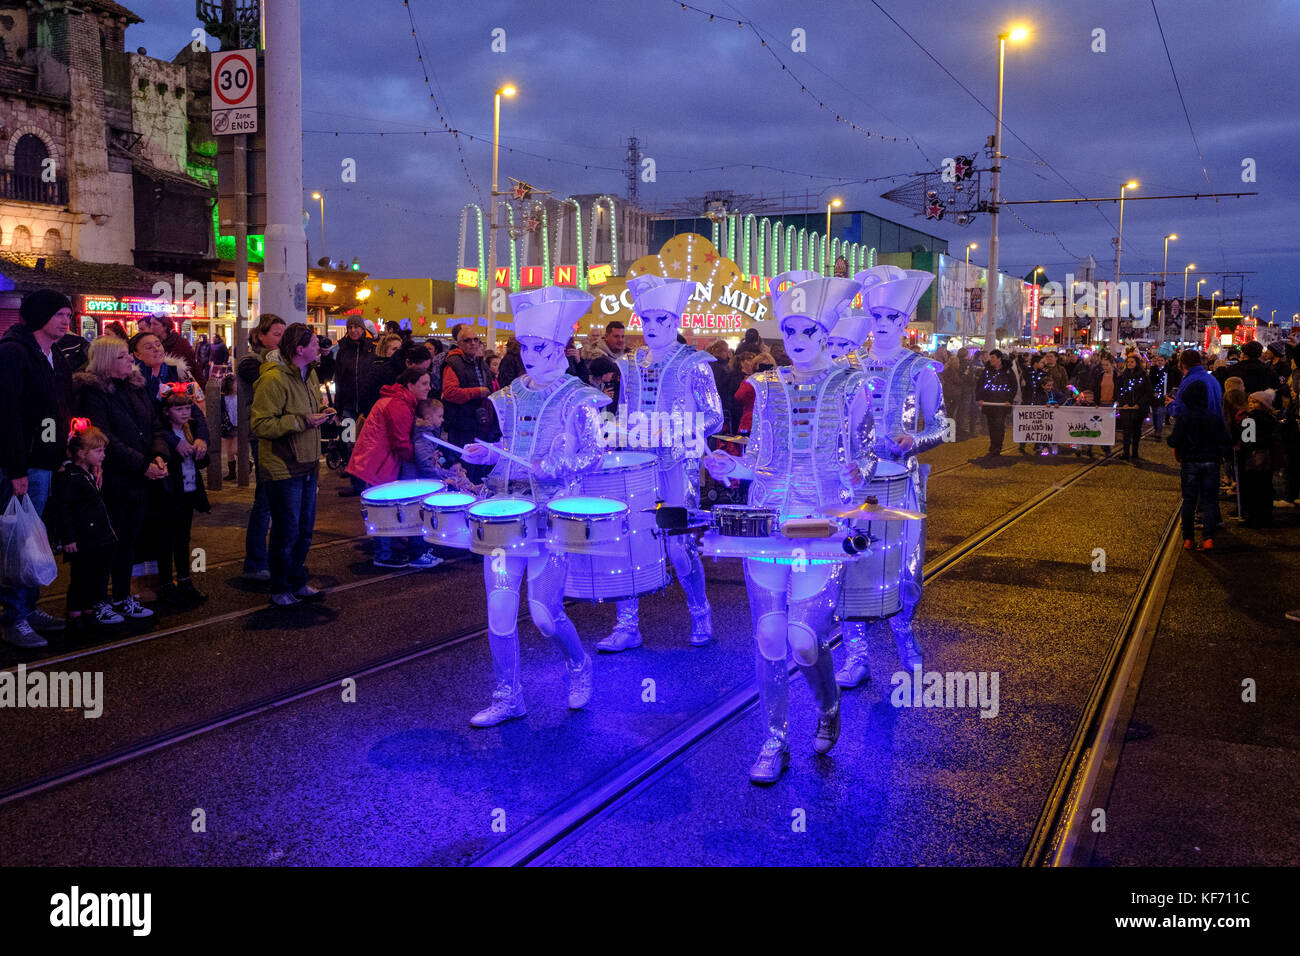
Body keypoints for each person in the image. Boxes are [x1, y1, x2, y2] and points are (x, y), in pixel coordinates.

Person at [703, 271, 873, 785]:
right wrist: (730, 468)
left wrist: (856, 472)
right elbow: (760, 459)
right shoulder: (766, 385)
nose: (797, 343)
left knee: (803, 637)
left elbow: (865, 455)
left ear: (827, 334)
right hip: (769, 522)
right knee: (770, 634)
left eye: (809, 333)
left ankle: (827, 706)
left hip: (824, 526)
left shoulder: (853, 384)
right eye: (791, 333)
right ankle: (773, 740)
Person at [458, 286, 609, 728]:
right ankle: (508, 696)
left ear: (560, 345)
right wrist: (489, 454)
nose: (529, 355)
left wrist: (557, 466)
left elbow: (594, 454)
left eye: (539, 346)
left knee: (544, 615)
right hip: (508, 512)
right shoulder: (510, 394)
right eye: (524, 346)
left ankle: (579, 664)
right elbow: (510, 446)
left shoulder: (578, 397)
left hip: (552, 516)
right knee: (500, 611)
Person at [597, 273, 723, 652]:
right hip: (637, 467)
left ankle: (701, 612)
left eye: (661, 321)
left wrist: (671, 430)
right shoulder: (630, 362)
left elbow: (715, 416)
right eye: (646, 320)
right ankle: (627, 625)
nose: (652, 328)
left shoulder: (695, 364)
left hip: (677, 468)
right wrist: (616, 437)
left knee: (677, 547)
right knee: (630, 542)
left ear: (676, 322)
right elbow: (624, 411)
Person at [838, 264, 946, 681]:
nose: (882, 325)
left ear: (904, 322)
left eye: (891, 318)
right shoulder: (848, 366)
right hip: (856, 482)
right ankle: (857, 656)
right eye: (876, 317)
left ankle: (904, 634)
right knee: (851, 562)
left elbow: (942, 426)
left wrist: (913, 441)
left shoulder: (921, 370)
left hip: (903, 482)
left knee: (907, 567)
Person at [0, 290, 76, 647]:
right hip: (22, 465)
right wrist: (16, 467)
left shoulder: (54, 355)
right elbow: (8, 415)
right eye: (60, 314)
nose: (66, 321)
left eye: (68, 315)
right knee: (20, 540)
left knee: (36, 539)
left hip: (46, 461)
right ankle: (15, 616)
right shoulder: (14, 353)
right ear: (40, 316)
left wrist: (61, 452)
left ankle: (29, 608)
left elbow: (58, 409)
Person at [72, 336, 166, 621]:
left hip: (139, 476)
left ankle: (123, 595)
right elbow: (105, 438)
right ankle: (97, 600)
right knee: (106, 543)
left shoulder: (136, 388)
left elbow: (155, 425)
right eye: (123, 356)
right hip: (113, 478)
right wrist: (142, 464)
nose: (130, 361)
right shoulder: (93, 392)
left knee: (129, 542)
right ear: (106, 361)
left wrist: (159, 456)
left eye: (129, 356)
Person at [250, 323, 331, 607]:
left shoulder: (309, 374)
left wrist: (322, 413)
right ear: (300, 349)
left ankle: (296, 580)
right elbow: (260, 424)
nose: (319, 349)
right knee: (287, 529)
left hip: (308, 461)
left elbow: (309, 410)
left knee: (305, 528)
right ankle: (280, 586)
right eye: (314, 345)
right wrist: (302, 420)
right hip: (283, 464)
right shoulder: (274, 380)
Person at [346, 367, 441, 570]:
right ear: (410, 385)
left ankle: (386, 552)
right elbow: (401, 443)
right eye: (424, 384)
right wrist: (420, 459)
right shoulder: (399, 405)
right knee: (383, 510)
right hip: (378, 462)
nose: (428, 388)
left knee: (384, 509)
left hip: (376, 460)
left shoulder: (400, 401)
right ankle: (383, 555)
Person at [52, 422, 123, 630]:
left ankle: (89, 610)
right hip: (83, 538)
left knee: (94, 576)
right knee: (81, 577)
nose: (103, 455)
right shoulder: (71, 477)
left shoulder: (88, 473)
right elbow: (64, 509)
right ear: (82, 453)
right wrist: (69, 538)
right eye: (98, 451)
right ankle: (75, 614)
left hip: (96, 537)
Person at [238, 314, 286, 582]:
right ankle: (255, 562)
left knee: (279, 500)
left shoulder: (278, 360)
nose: (281, 340)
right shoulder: (250, 361)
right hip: (262, 434)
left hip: (281, 432)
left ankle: (274, 558)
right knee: (265, 500)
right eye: (277, 335)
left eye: (283, 334)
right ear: (260, 336)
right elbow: (270, 381)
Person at [153, 386, 211, 605]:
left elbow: (204, 462)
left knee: (183, 538)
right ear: (167, 412)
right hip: (170, 492)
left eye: (187, 408)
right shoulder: (164, 435)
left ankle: (186, 581)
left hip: (189, 491)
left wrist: (199, 451)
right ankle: (167, 584)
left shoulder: (191, 430)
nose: (185, 413)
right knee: (166, 539)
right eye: (180, 410)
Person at [1167, 380, 1230, 550]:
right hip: (1211, 462)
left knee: (1189, 501)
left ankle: (1188, 539)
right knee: (1209, 501)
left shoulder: (1185, 417)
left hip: (1190, 462)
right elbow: (1225, 440)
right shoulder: (1214, 417)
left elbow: (1174, 440)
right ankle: (1208, 538)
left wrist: (1172, 441)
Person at [441, 327, 496, 477]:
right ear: (459, 343)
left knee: (479, 467)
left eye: (475, 339)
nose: (473, 343)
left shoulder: (478, 362)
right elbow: (450, 393)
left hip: (479, 424)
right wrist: (477, 392)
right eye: (467, 340)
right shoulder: (453, 363)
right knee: (465, 467)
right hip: (461, 425)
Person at [405, 398, 476, 494]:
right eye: (440, 416)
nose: (442, 419)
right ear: (428, 418)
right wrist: (442, 481)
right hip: (420, 482)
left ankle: (473, 488)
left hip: (430, 477)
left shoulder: (430, 433)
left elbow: (435, 459)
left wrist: (450, 466)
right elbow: (425, 466)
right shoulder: (423, 437)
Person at [1238, 390, 1280, 528]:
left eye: (1254, 401)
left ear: (1263, 404)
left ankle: (1254, 517)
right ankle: (1266, 516)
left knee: (1253, 487)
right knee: (1265, 485)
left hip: (1253, 456)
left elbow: (1245, 440)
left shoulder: (1249, 419)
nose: (1250, 403)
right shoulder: (1272, 419)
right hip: (1267, 456)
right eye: (1250, 400)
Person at [976, 349, 1017, 457]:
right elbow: (980, 384)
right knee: (991, 424)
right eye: (990, 357)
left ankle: (997, 446)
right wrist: (980, 398)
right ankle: (993, 444)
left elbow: (1013, 386)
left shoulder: (1008, 371)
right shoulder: (987, 370)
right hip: (990, 402)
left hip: (1002, 403)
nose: (991, 360)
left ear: (999, 359)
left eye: (993, 358)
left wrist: (1009, 399)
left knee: (999, 424)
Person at [139, 312, 199, 384]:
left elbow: (194, 369)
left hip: (179, 386)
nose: (151, 327)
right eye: (151, 324)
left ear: (165, 326)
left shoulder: (180, 344)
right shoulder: (155, 342)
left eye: (155, 324)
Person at [1168, 350, 1223, 420]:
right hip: (1215, 425)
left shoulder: (1188, 382)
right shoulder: (1212, 379)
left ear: (1182, 364)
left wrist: (1170, 405)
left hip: (1196, 427)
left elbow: (1181, 411)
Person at [1116, 353, 1150, 461]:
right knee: (1126, 432)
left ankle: (1135, 452)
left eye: (1132, 362)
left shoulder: (1143, 376)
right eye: (1128, 362)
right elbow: (1118, 391)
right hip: (1126, 409)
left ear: (1136, 363)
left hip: (1137, 409)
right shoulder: (1122, 377)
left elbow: (1148, 392)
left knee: (1136, 431)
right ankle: (1125, 452)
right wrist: (1123, 403)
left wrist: (1139, 404)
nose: (1130, 364)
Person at [1148, 352, 1172, 437]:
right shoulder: (1153, 369)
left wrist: (1167, 392)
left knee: (1160, 412)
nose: (1160, 362)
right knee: (1154, 412)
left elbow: (1169, 383)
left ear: (1165, 361)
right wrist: (1152, 391)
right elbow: (1150, 381)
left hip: (1163, 394)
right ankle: (1155, 428)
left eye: (1162, 360)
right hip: (1154, 394)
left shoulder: (1168, 371)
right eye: (1158, 360)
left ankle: (1159, 430)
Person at [220, 373, 239, 480]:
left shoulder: (240, 397)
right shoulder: (223, 398)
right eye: (236, 384)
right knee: (229, 452)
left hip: (238, 426)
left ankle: (248, 462)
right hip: (227, 427)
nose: (237, 386)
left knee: (234, 449)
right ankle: (232, 473)